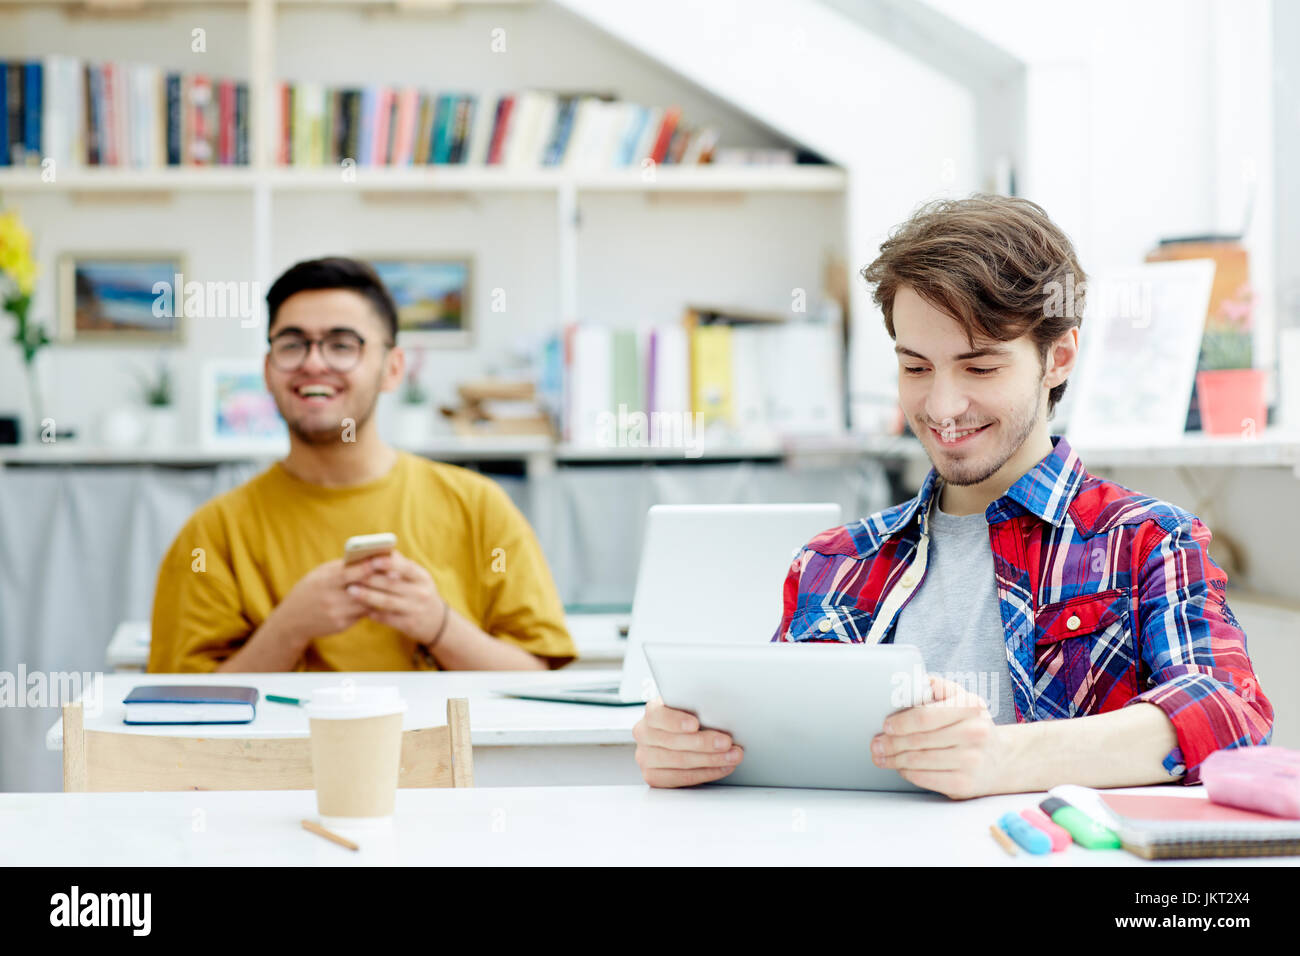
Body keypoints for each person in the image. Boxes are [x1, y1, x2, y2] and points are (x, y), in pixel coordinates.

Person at [633, 195, 1272, 796]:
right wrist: (698, 751)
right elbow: (778, 755)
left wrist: (1002, 757)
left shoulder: (1148, 543)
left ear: (1059, 357)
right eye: (915, 367)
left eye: (980, 367)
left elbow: (1228, 715)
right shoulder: (830, 565)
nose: (941, 407)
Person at [149, 257, 574, 672]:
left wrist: (439, 625)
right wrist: (288, 629)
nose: (314, 363)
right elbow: (182, 709)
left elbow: (538, 676)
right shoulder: (211, 536)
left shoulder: (480, 507)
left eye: (341, 345)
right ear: (268, 370)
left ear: (392, 369)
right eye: (292, 344)